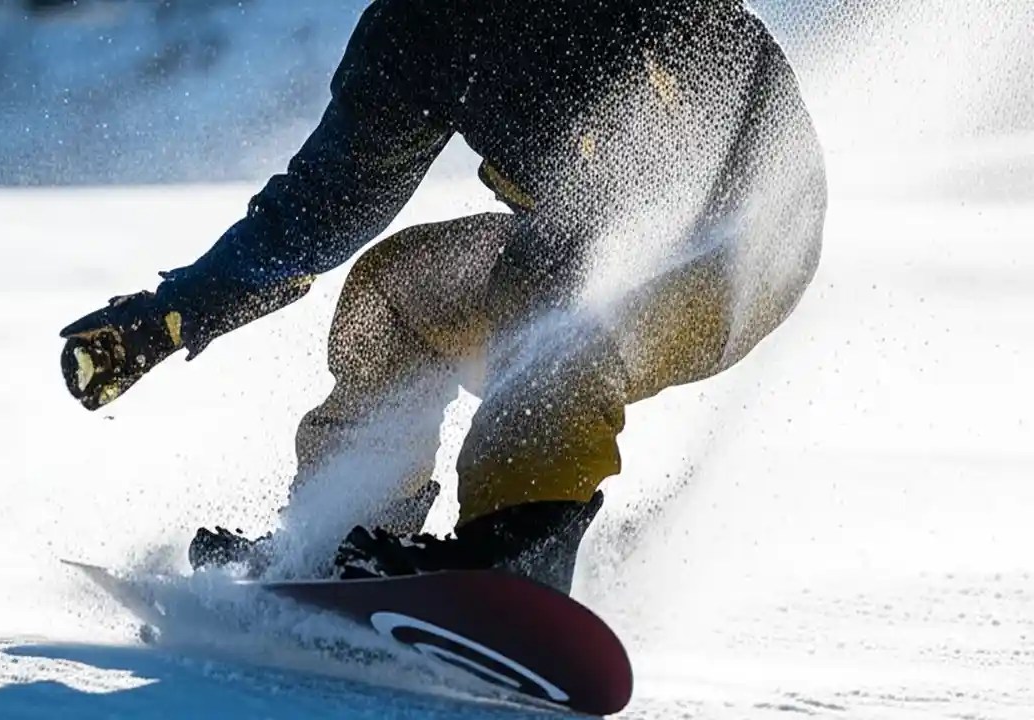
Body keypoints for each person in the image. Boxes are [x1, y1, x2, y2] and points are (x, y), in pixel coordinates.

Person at [58, 0, 826, 594]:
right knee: (394, 295)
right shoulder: (418, 33)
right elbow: (320, 210)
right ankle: (343, 531)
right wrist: (180, 312)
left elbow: (689, 131)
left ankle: (518, 550)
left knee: (559, 296)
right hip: (560, 250)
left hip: (743, 243)